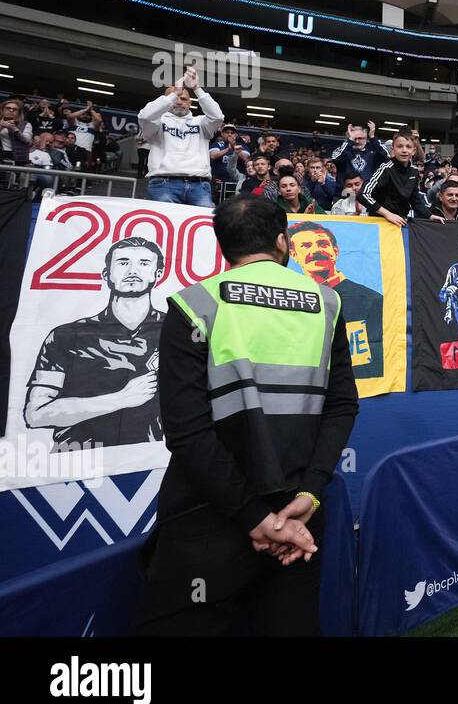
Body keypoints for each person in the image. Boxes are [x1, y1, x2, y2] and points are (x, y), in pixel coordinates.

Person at [134, 196, 359, 636]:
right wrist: (309, 496)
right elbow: (342, 405)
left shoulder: (194, 303)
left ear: (224, 249)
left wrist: (256, 519)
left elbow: (187, 431)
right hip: (300, 518)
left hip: (209, 518)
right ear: (283, 242)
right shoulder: (327, 303)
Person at [24, 237, 167, 447]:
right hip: (78, 464)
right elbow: (35, 414)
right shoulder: (66, 335)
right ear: (106, 274)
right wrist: (120, 399)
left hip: (151, 463)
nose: (132, 271)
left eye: (144, 263)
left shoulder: (176, 330)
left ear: (158, 274)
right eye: (123, 262)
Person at [288, 221, 385, 380]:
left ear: (335, 251)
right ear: (293, 255)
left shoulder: (371, 299)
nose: (316, 250)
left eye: (322, 244)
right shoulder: (290, 298)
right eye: (305, 245)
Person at [138, 67, 224, 206]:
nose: (179, 101)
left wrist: (196, 88)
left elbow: (218, 117)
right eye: (174, 98)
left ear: (190, 103)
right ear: (165, 101)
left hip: (199, 185)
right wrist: (175, 92)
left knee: (203, 226)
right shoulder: (156, 123)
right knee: (165, 225)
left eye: (183, 98)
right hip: (163, 184)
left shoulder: (201, 122)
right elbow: (145, 117)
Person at [359, 131, 430, 227]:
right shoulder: (386, 168)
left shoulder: (415, 171)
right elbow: (363, 194)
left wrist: (430, 216)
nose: (404, 150)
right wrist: (387, 214)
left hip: (400, 222)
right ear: (393, 150)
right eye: (400, 146)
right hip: (380, 222)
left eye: (408, 147)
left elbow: (415, 201)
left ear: (413, 151)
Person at [330, 120, 386, 184]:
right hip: (345, 192)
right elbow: (336, 159)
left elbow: (385, 156)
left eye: (360, 138)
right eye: (354, 138)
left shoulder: (373, 153)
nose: (357, 142)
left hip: (367, 192)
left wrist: (372, 137)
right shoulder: (341, 151)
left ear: (365, 138)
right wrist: (350, 140)